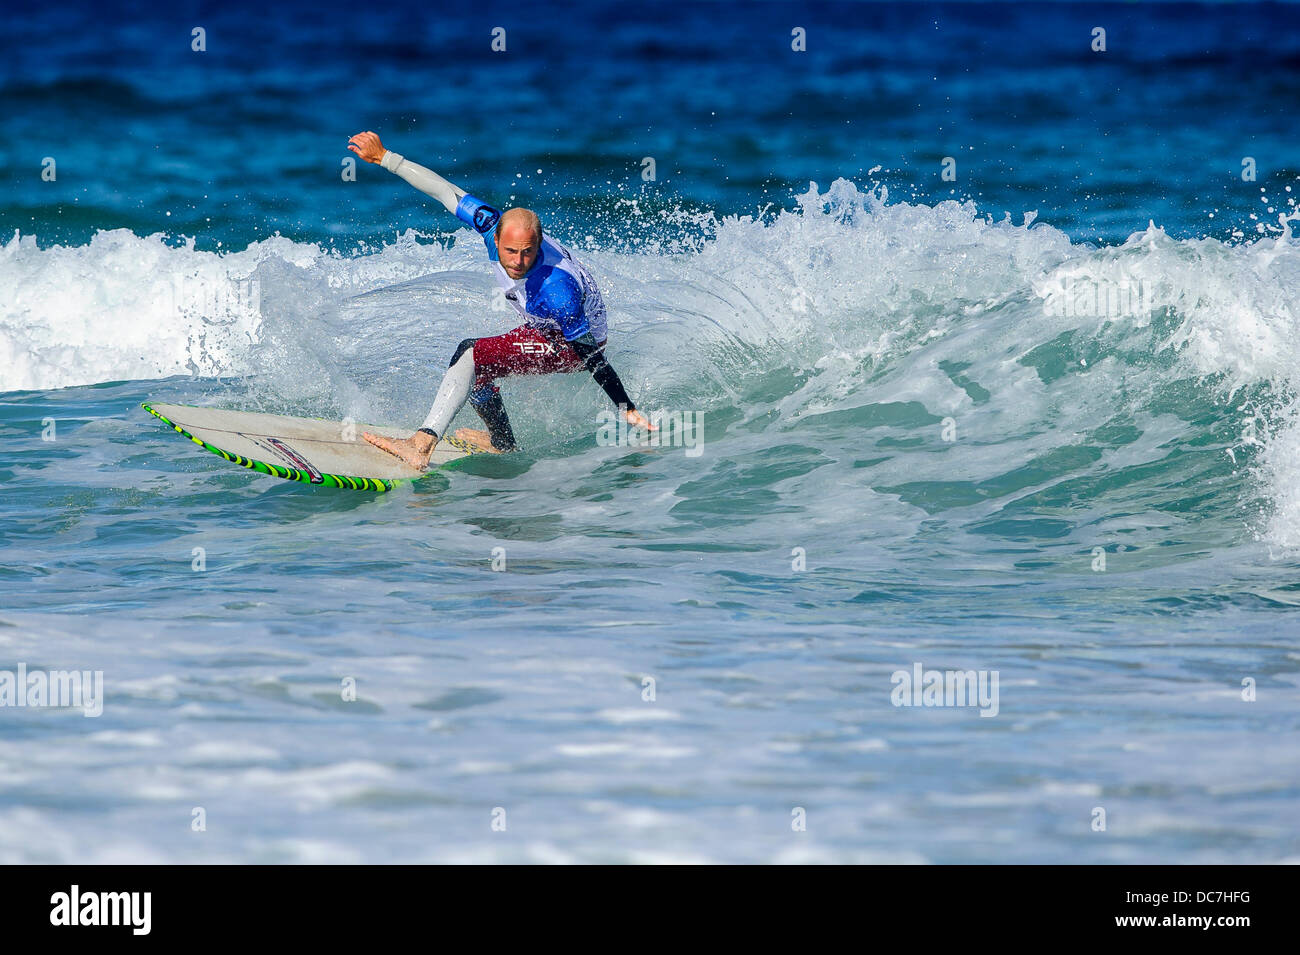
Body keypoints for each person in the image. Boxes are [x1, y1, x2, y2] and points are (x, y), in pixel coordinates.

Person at [346, 130, 654, 468]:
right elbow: (445, 191)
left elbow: (592, 355)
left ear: (538, 244)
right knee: (476, 369)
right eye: (510, 251)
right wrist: (386, 158)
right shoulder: (490, 223)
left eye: (527, 252)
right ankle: (502, 442)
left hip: (574, 343)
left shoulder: (557, 290)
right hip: (547, 326)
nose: (518, 262)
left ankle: (420, 445)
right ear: (495, 236)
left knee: (470, 354)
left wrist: (628, 409)